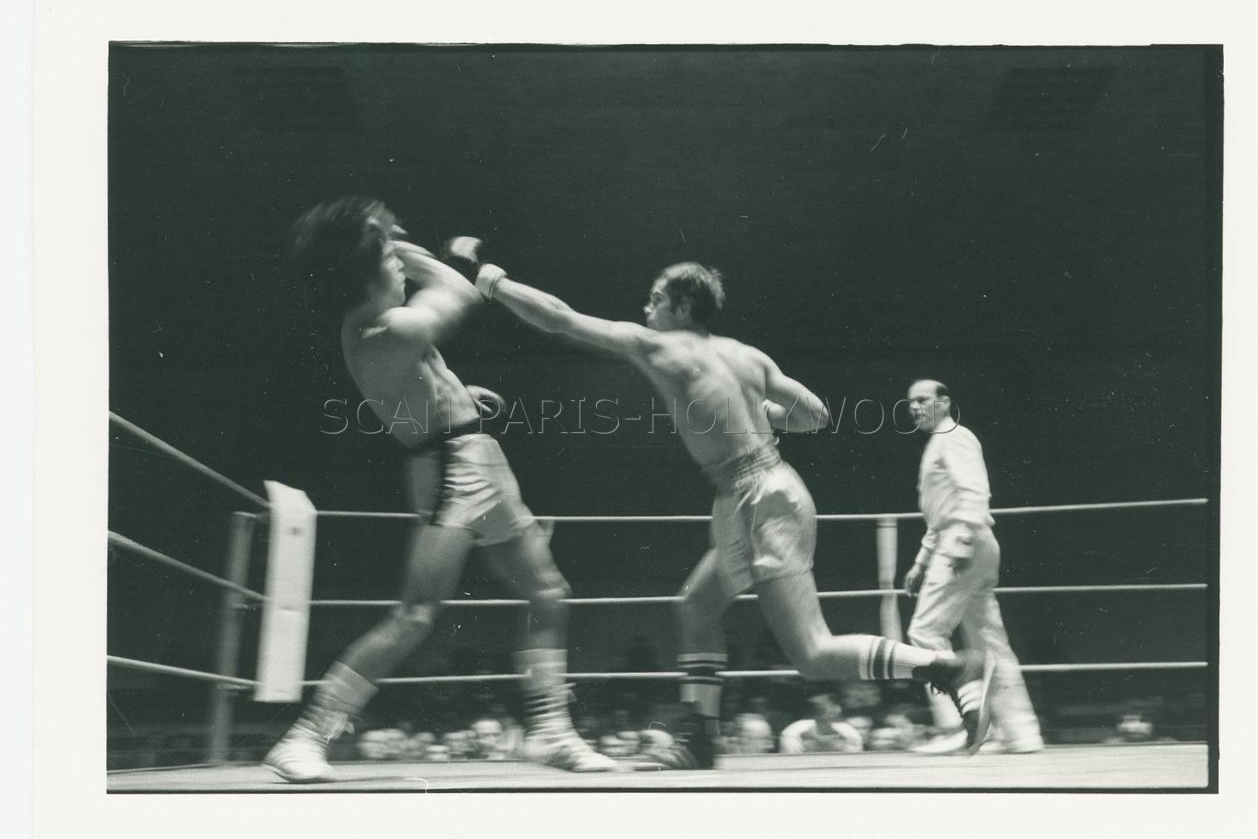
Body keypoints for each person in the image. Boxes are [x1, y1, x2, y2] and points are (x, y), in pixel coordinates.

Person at [442, 240, 996, 769]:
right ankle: (700, 737)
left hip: (763, 500)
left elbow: (560, 318)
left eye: (656, 297)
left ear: (681, 306)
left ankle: (946, 666)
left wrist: (489, 279)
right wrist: (753, 419)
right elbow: (815, 415)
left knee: (811, 651)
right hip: (752, 493)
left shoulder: (660, 345)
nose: (646, 305)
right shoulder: (746, 356)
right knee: (696, 607)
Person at [263, 198, 613, 782]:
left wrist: (458, 398)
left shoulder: (382, 329)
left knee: (549, 591)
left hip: (475, 456)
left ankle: (552, 732)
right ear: (364, 270)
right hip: (451, 471)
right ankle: (305, 736)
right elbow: (460, 290)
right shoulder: (384, 328)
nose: (400, 265)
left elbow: (417, 385)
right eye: (389, 258)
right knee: (416, 615)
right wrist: (415, 250)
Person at [903, 380, 1045, 754]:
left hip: (964, 540)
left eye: (922, 400)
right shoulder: (943, 439)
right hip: (967, 540)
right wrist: (921, 564)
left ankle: (958, 725)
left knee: (924, 632)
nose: (914, 408)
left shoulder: (954, 436)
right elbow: (940, 512)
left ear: (944, 401)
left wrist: (962, 540)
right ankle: (1019, 732)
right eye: (910, 403)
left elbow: (973, 491)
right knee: (989, 639)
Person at [779, 693, 864, 754]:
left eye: (834, 710)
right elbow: (792, 761)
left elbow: (852, 762)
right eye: (820, 710)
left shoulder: (849, 733)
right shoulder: (794, 732)